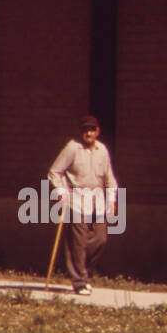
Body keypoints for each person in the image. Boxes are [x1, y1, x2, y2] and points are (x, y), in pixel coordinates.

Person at [47, 115, 118, 295]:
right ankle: (79, 281)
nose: (89, 133)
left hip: (98, 201)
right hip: (77, 200)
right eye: (86, 129)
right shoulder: (72, 148)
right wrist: (62, 192)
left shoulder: (103, 150)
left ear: (98, 131)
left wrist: (112, 198)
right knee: (77, 243)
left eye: (92, 129)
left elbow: (109, 178)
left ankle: (84, 273)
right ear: (81, 131)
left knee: (100, 239)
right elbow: (54, 172)